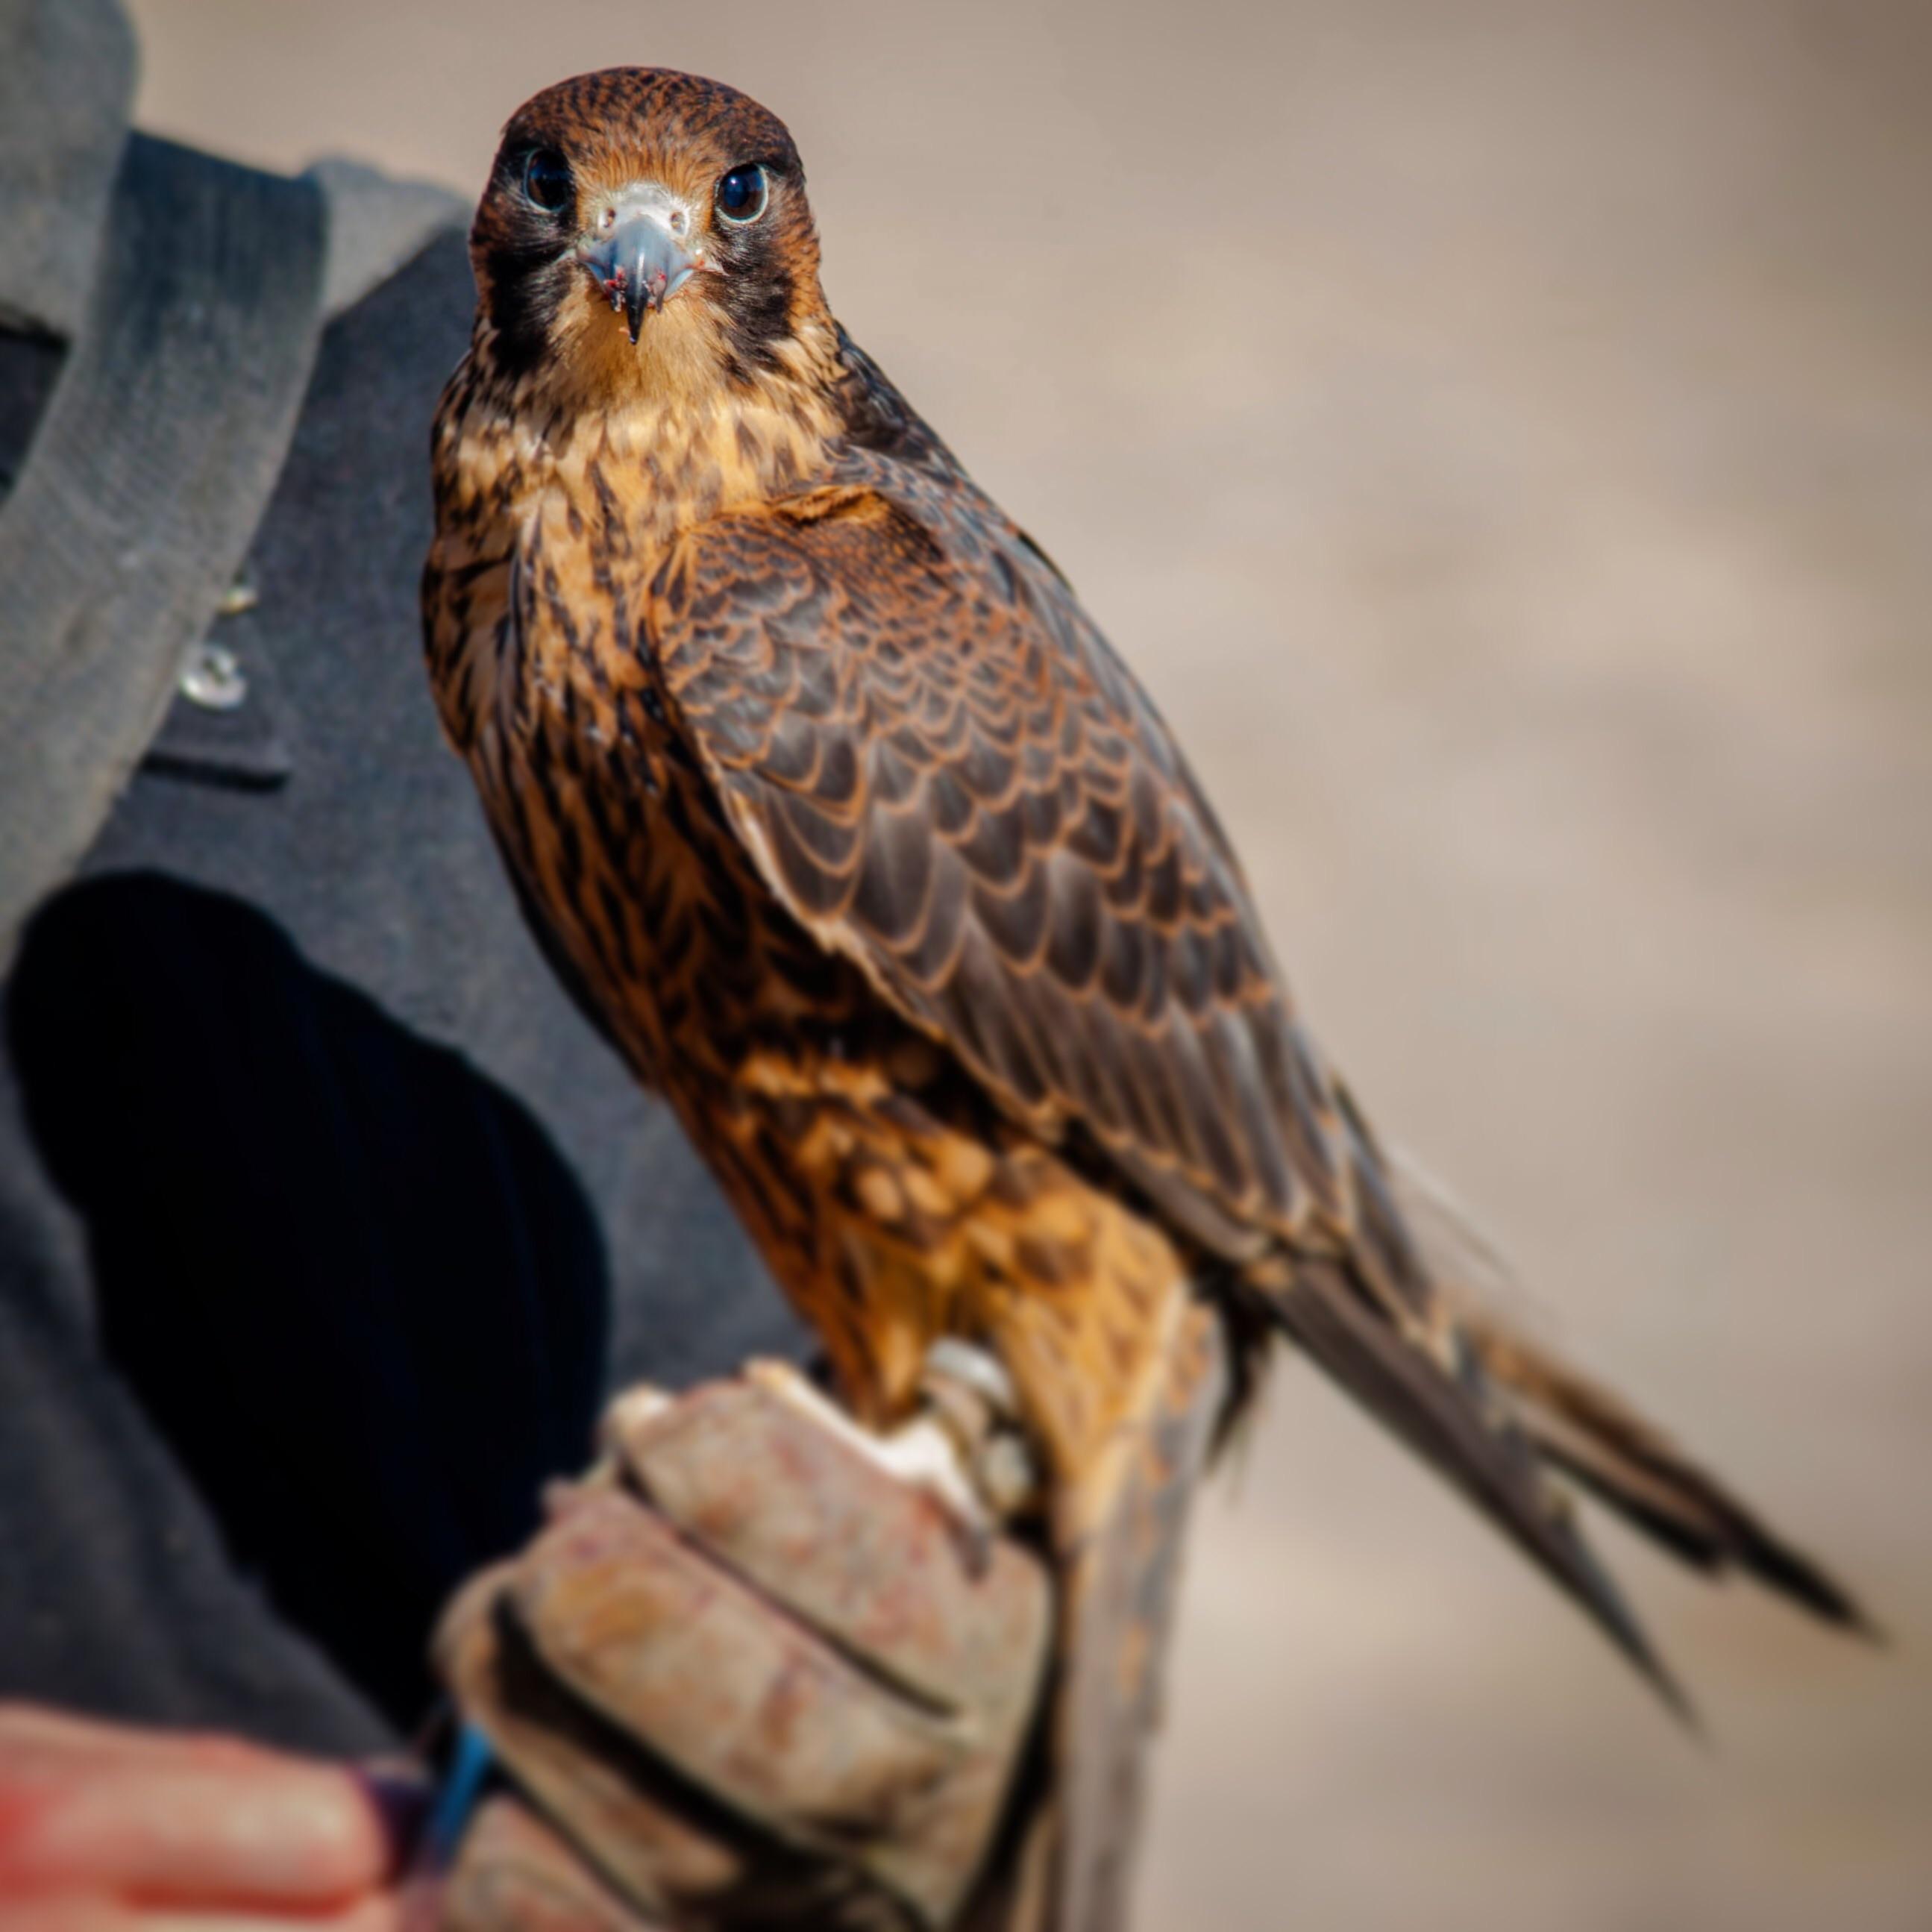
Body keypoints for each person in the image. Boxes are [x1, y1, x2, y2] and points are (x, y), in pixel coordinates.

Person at [0, 4, 1209, 1925]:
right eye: (569, 194)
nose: (636, 251)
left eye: (720, 203)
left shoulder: (401, 419)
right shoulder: (458, 499)